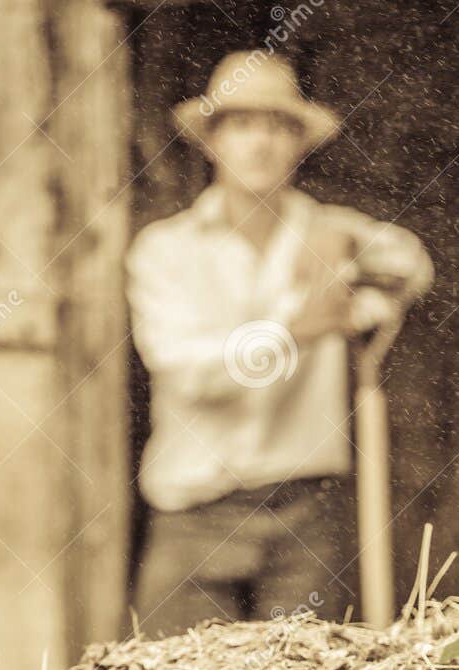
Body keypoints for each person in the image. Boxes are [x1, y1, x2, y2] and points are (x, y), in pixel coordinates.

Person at [127, 51, 433, 636]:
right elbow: (188, 372)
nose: (260, 144)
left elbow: (413, 266)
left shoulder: (325, 229)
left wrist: (348, 240)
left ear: (300, 143)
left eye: (277, 126)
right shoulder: (165, 250)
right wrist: (297, 329)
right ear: (212, 141)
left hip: (301, 518)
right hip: (194, 518)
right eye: (242, 125)